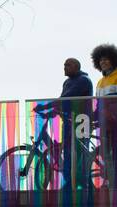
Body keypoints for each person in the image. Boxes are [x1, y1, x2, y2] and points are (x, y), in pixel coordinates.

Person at [36, 59, 94, 189]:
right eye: (64, 65)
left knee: (79, 152)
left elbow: (65, 98)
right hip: (68, 120)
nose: (64, 67)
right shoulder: (67, 82)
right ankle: (70, 182)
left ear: (76, 66)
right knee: (68, 152)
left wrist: (45, 107)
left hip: (81, 119)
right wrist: (50, 112)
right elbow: (63, 103)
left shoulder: (83, 80)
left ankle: (84, 182)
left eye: (68, 65)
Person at [90, 43, 117, 186]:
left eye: (106, 59)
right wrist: (93, 117)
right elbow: (98, 105)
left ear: (114, 60)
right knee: (105, 152)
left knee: (116, 152)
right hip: (105, 122)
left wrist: (109, 113)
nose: (103, 62)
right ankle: (111, 179)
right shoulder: (101, 82)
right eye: (101, 60)